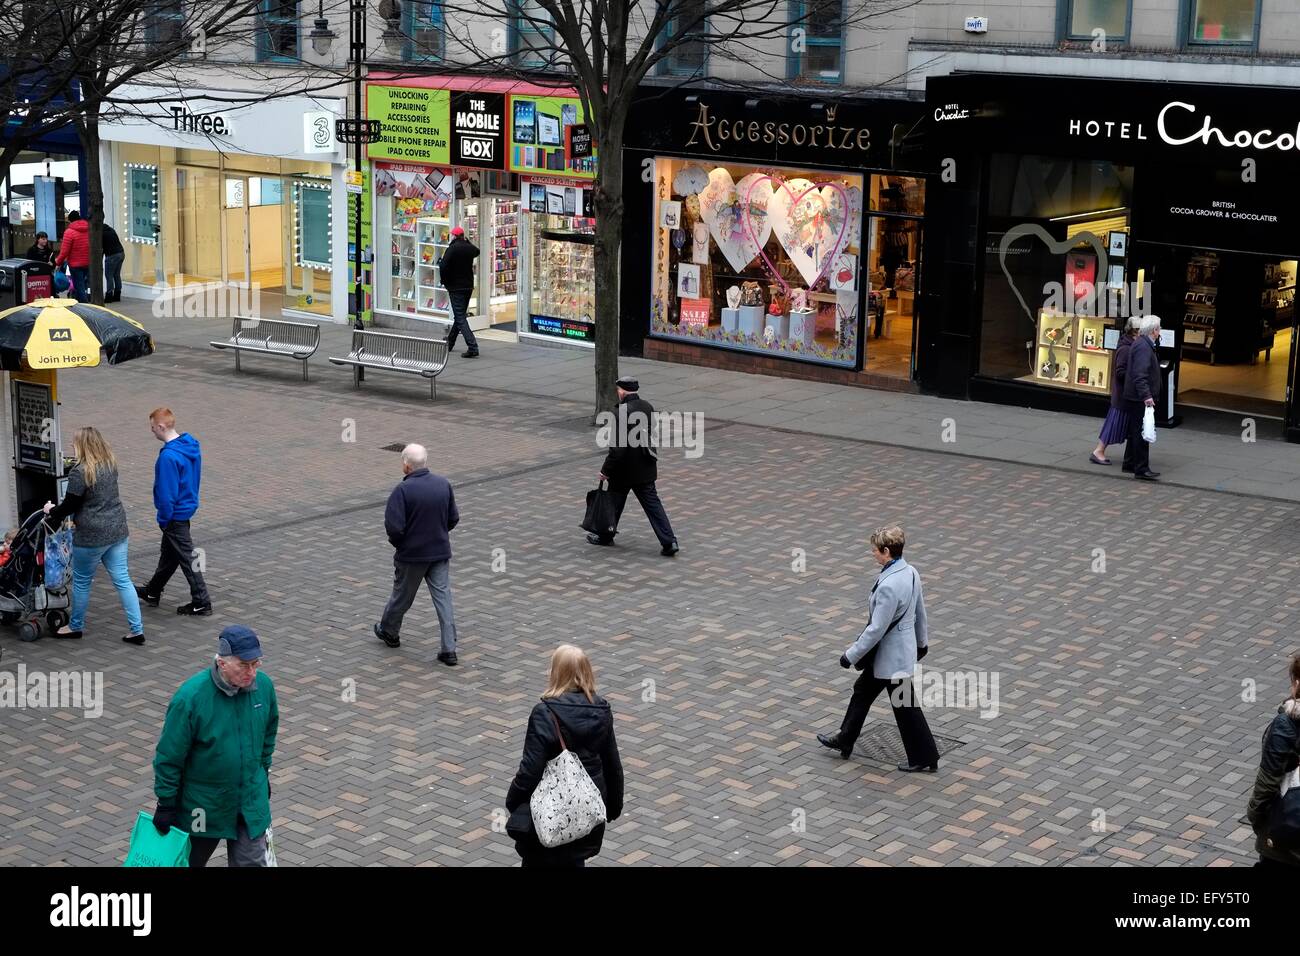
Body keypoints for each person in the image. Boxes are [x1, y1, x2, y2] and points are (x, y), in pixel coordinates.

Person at [151, 625, 278, 868]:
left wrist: (263, 772)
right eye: (243, 665)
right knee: (186, 863)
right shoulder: (190, 698)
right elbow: (169, 756)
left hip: (249, 802)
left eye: (255, 663)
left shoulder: (264, 688)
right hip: (202, 806)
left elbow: (268, 735)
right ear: (222, 662)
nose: (251, 672)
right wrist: (166, 802)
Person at [816, 526, 940, 772]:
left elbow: (876, 629)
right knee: (863, 690)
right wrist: (921, 643)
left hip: (889, 657)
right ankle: (846, 739)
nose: (873, 554)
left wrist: (850, 655)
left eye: (875, 551)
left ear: (886, 551)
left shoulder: (889, 586)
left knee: (905, 707)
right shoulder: (911, 572)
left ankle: (925, 756)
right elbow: (920, 613)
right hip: (899, 653)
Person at [505, 645, 624, 868]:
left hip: (548, 812)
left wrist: (513, 801)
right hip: (584, 810)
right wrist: (612, 806)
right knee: (575, 860)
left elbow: (530, 769)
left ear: (556, 672)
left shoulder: (545, 713)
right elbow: (613, 765)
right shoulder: (601, 710)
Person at [42, 426, 144, 644]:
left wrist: (50, 510)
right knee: (123, 579)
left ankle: (75, 626)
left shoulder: (80, 472)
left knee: (81, 582)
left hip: (91, 536)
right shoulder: (110, 463)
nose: (72, 445)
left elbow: (70, 505)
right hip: (117, 529)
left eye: (74, 442)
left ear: (83, 446)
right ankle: (137, 630)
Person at [374, 443, 461, 666]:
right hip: (439, 552)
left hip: (412, 556)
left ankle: (389, 631)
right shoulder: (443, 484)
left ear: (406, 465)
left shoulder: (402, 491)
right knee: (444, 599)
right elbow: (453, 518)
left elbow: (394, 527)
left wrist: (402, 545)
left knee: (402, 596)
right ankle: (449, 649)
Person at [586, 376, 679, 557]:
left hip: (623, 470)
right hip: (645, 467)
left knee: (613, 503)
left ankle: (605, 535)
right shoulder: (647, 407)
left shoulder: (621, 412)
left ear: (621, 391)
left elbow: (618, 449)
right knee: (653, 506)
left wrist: (605, 471)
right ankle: (670, 542)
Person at [136, 408, 211, 615]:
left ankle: (201, 601)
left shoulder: (168, 457)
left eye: (153, 428)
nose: (152, 432)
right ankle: (153, 591)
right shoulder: (190, 445)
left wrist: (164, 518)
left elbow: (167, 493)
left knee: (187, 558)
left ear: (161, 426)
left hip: (174, 516)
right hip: (185, 509)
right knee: (170, 556)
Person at [1246, 654, 1300, 867]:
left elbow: (1267, 783)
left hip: (1288, 833)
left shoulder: (1286, 725)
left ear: (1296, 683)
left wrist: (1255, 815)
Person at [1091, 316, 1141, 466]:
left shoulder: (1131, 344)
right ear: (1135, 331)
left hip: (1126, 395)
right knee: (1114, 424)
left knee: (1119, 424)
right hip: (1122, 396)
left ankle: (1131, 456)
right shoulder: (1126, 348)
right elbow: (1120, 372)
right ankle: (1098, 451)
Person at [1122, 315, 1163, 481]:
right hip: (1139, 398)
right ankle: (1141, 468)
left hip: (1135, 396)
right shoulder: (1144, 347)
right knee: (1142, 433)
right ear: (1154, 330)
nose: (1160, 331)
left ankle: (1130, 463)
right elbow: (1140, 374)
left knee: (1135, 432)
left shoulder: (1143, 344)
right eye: (1159, 328)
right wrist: (1147, 395)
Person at [439, 225, 480, 357]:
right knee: (460, 315)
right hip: (467, 286)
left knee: (460, 317)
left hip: (456, 287)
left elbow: (443, 266)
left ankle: (472, 347)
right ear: (463, 236)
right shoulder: (468, 248)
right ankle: (450, 342)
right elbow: (477, 251)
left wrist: (445, 281)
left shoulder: (452, 249)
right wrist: (467, 241)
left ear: (454, 236)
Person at [54, 210, 90, 303]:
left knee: (79, 286)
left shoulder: (69, 232)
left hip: (75, 264)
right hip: (88, 262)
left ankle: (84, 305)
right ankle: (78, 302)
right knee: (84, 285)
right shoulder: (89, 229)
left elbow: (64, 251)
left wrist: (58, 263)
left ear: (70, 221)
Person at [102, 222, 125, 303]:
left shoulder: (101, 234)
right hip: (121, 253)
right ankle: (117, 294)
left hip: (112, 255)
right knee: (116, 275)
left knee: (109, 276)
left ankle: (109, 295)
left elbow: (101, 248)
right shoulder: (111, 230)